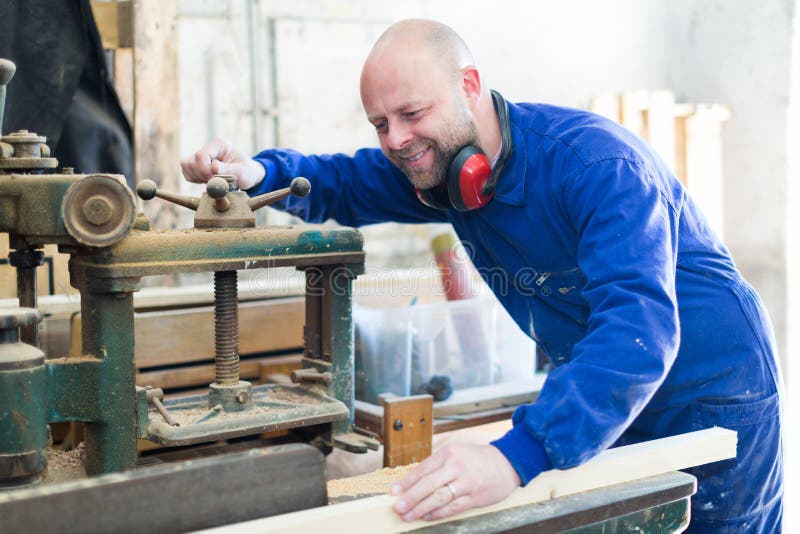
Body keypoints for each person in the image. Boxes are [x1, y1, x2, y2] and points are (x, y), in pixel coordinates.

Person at [181, 19, 784, 533]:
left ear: (470, 86)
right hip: (602, 391)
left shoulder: (598, 167)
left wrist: (516, 455)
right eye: (380, 124)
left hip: (710, 389)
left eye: (412, 113)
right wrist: (260, 172)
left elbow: (640, 331)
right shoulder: (441, 170)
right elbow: (342, 179)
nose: (396, 140)